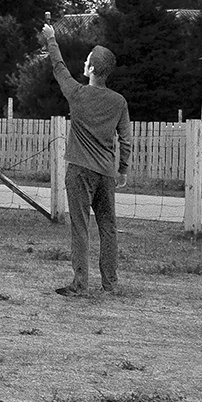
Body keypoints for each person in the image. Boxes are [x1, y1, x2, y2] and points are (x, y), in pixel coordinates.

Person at [41, 21, 131, 295]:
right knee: (108, 227)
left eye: (88, 59)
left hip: (79, 170)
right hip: (105, 173)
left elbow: (59, 69)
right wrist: (122, 169)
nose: (84, 61)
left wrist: (51, 39)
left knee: (80, 227)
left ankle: (80, 284)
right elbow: (125, 139)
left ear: (92, 69)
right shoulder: (119, 102)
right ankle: (110, 283)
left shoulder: (78, 94)